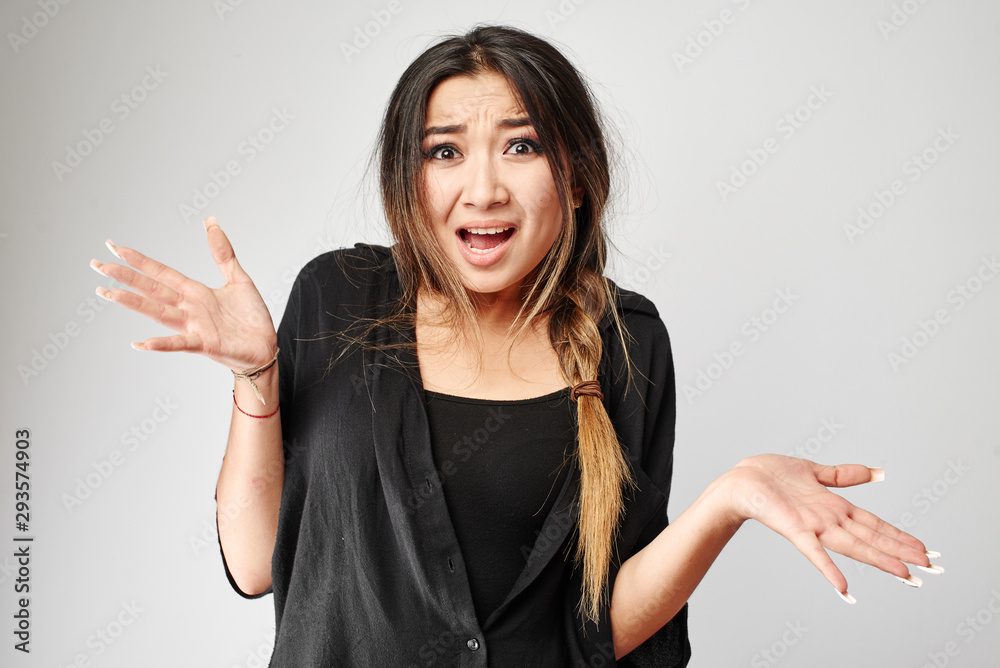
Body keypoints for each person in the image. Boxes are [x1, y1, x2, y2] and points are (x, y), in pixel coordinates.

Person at [89, 25, 941, 667]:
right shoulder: (337, 297)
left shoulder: (627, 341)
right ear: (409, 180)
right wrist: (256, 377)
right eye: (445, 151)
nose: (483, 188)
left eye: (521, 145)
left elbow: (594, 630)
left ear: (572, 176)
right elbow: (253, 561)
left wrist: (729, 501)